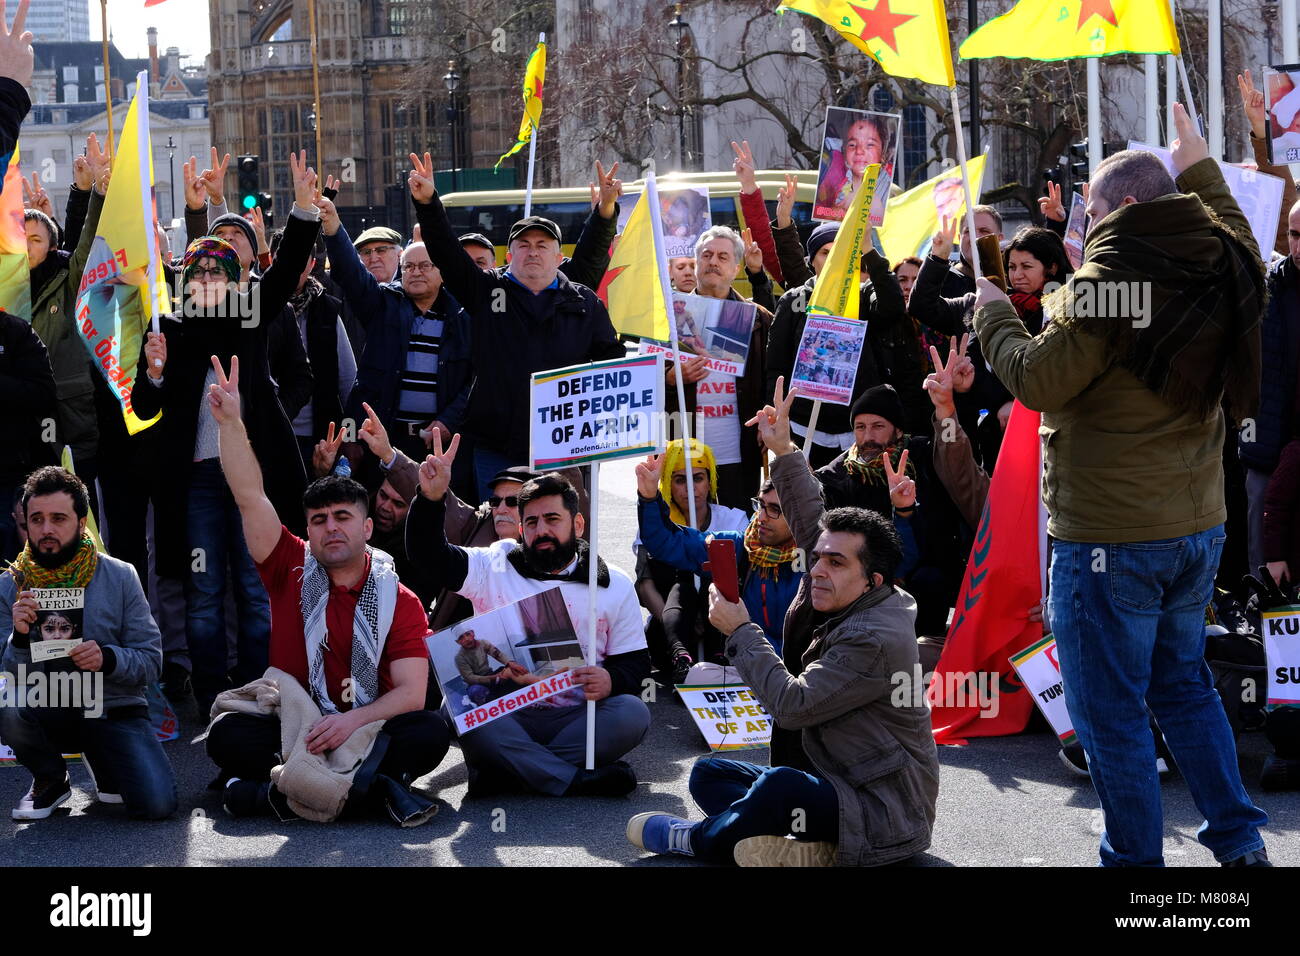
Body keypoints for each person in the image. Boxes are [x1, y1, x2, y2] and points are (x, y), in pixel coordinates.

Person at [972, 103, 1270, 867]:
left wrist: (997, 315)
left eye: (1094, 214)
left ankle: (1137, 872)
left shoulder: (1110, 286)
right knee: (1186, 689)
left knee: (1111, 718)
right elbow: (1237, 229)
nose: (1086, 230)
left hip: (1112, 538)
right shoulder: (1221, 260)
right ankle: (1240, 847)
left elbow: (1038, 378)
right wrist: (1198, 162)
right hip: (1196, 525)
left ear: (1127, 212)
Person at [627, 377, 938, 866]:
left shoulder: (874, 635)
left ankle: (701, 839)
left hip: (880, 810)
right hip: (829, 773)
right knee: (708, 775)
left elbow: (792, 706)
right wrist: (782, 447)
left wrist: (741, 631)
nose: (817, 568)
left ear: (872, 579)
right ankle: (803, 846)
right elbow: (812, 513)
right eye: (819, 558)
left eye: (835, 563)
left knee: (778, 785)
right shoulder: (833, 580)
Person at [201, 354, 451, 823]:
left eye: (342, 518)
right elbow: (249, 496)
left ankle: (280, 793)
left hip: (365, 726)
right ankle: (369, 791)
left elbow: (412, 693)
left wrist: (349, 721)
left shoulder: (400, 597)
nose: (331, 529)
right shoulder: (288, 564)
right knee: (227, 735)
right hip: (294, 722)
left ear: (367, 528)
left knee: (429, 731)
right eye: (319, 520)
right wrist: (232, 423)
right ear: (309, 530)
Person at [130, 150, 320, 715]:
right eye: (199, 271)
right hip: (195, 485)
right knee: (205, 596)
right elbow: (143, 404)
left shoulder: (254, 314)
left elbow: (285, 270)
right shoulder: (169, 327)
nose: (209, 275)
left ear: (238, 278)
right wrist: (156, 372)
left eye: (219, 269)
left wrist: (304, 210)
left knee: (258, 594)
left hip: (252, 481)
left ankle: (263, 695)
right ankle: (215, 701)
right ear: (185, 281)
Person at [405, 434, 651, 797]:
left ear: (578, 525)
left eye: (552, 519)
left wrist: (610, 680)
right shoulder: (496, 562)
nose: (542, 530)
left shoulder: (614, 582)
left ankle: (512, 769)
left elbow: (635, 664)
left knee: (634, 713)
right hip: (504, 717)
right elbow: (429, 557)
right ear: (521, 529)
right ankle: (568, 780)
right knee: (460, 706)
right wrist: (430, 499)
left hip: (576, 719)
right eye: (532, 523)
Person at [408, 152, 625, 499]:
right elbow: (448, 254)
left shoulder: (582, 301)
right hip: (497, 446)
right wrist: (428, 203)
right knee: (501, 536)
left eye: (542, 245)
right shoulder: (487, 291)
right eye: (523, 245)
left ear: (558, 256)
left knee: (564, 535)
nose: (533, 252)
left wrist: (604, 214)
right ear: (509, 256)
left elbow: (613, 364)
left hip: (565, 446)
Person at [1, 467, 177, 821]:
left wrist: (107, 659)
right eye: (37, 519)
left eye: (58, 518)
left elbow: (151, 660)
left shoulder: (120, 575)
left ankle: (106, 763)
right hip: (47, 700)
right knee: (6, 699)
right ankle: (50, 778)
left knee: (157, 806)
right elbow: (6, 676)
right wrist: (19, 637)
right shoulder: (11, 584)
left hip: (112, 704)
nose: (46, 529)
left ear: (81, 522)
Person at [318, 195, 472, 483]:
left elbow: (474, 380)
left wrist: (448, 420)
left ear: (442, 272)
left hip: (436, 444)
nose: (415, 272)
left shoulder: (464, 316)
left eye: (425, 266)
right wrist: (333, 226)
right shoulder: (383, 305)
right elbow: (352, 273)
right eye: (409, 267)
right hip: (381, 437)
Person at [815, 383, 959, 636]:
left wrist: (905, 509)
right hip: (860, 574)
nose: (868, 436)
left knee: (930, 580)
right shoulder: (836, 475)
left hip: (920, 571)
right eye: (860, 427)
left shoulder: (923, 456)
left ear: (898, 430)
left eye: (878, 426)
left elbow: (938, 531)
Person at [636, 453, 801, 659]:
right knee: (699, 676)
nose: (761, 517)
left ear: (799, 514)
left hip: (794, 675)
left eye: (775, 509)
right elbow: (666, 542)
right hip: (743, 667)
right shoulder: (738, 546)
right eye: (760, 505)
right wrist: (649, 497)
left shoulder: (817, 561)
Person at [667, 225, 773, 510]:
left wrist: (768, 420)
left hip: (738, 452)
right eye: (707, 255)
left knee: (736, 530)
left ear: (736, 267)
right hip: (683, 447)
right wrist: (671, 378)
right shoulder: (668, 314)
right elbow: (642, 375)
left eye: (723, 257)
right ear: (697, 261)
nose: (713, 261)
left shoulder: (758, 320)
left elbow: (772, 378)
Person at [632, 439, 749, 683]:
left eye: (697, 478)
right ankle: (680, 658)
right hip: (669, 625)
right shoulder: (651, 522)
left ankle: (717, 657)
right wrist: (674, 625)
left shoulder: (734, 520)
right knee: (682, 584)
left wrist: (712, 619)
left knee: (710, 579)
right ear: (668, 485)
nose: (690, 488)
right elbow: (645, 587)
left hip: (724, 623)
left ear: (709, 482)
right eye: (680, 480)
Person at [815, 113, 893, 221]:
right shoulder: (843, 186)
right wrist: (835, 213)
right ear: (845, 154)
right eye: (852, 144)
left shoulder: (890, 194)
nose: (859, 151)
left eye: (869, 144)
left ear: (883, 156)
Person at [454, 629, 530, 705]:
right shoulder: (459, 658)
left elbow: (497, 654)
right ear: (458, 642)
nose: (466, 639)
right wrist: (494, 678)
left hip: (490, 675)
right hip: (476, 684)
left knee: (512, 670)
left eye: (468, 634)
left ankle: (528, 698)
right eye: (461, 638)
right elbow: (470, 678)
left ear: (473, 633)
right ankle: (496, 709)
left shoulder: (482, 643)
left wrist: (510, 663)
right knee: (476, 691)